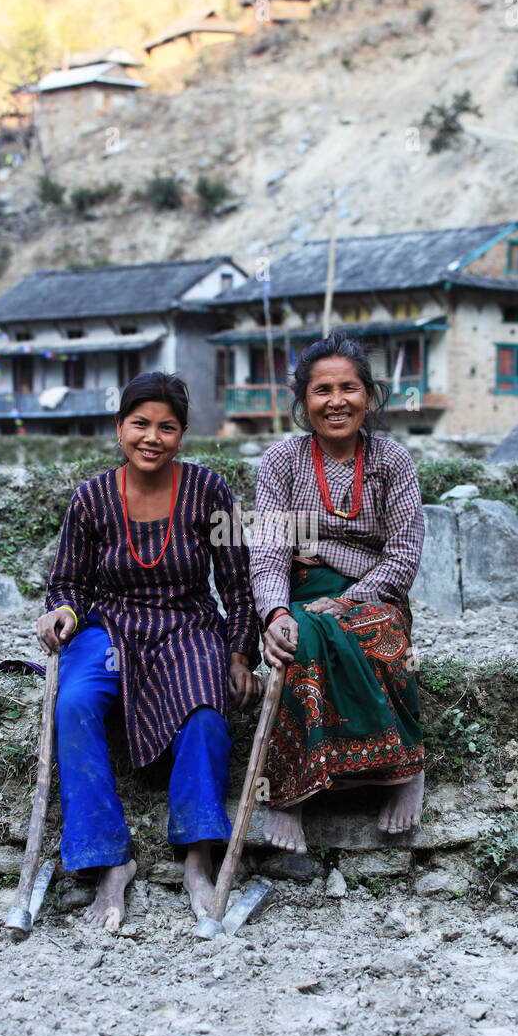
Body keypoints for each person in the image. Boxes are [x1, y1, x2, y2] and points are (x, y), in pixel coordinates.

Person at [37, 372, 260, 930]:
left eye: (167, 427)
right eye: (140, 424)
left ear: (183, 434)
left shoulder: (210, 492)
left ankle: (198, 858)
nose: (152, 437)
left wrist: (237, 653)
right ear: (120, 428)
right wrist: (63, 613)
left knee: (207, 712)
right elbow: (67, 584)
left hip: (187, 625)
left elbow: (236, 585)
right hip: (109, 628)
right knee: (75, 703)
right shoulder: (90, 499)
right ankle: (110, 859)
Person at [248, 332, 425, 855]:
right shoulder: (282, 461)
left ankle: (402, 771)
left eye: (349, 388)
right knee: (295, 639)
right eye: (322, 390)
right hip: (302, 588)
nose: (336, 401)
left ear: (368, 397)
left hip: (374, 592)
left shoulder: (392, 461)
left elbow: (404, 553)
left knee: (381, 636)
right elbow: (269, 551)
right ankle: (291, 796)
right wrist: (275, 612)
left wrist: (350, 600)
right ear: (304, 401)